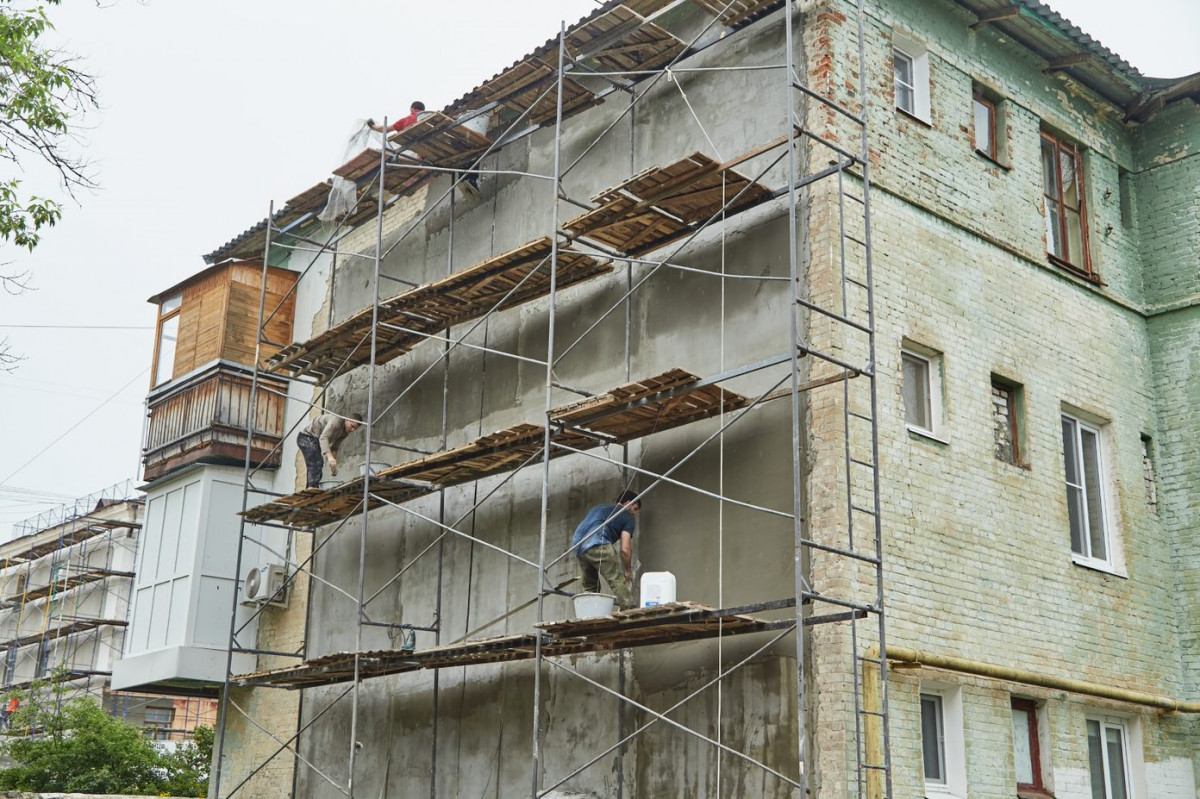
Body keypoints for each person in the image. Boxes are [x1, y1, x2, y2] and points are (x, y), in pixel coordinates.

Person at [571, 490, 641, 611]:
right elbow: (625, 549)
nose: (635, 513)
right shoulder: (628, 517)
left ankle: (590, 613)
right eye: (635, 508)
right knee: (616, 579)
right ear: (628, 503)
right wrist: (628, 571)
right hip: (599, 543)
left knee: (591, 588)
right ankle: (631, 610)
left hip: (579, 548)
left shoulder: (598, 508)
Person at [298, 412, 363, 489]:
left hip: (315, 441)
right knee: (316, 463)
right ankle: (311, 488)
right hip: (306, 437)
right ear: (347, 420)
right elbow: (324, 438)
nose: (352, 430)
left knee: (318, 464)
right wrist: (330, 457)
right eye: (352, 426)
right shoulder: (337, 421)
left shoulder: (345, 432)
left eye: (355, 429)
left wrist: (333, 465)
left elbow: (335, 447)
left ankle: (313, 487)